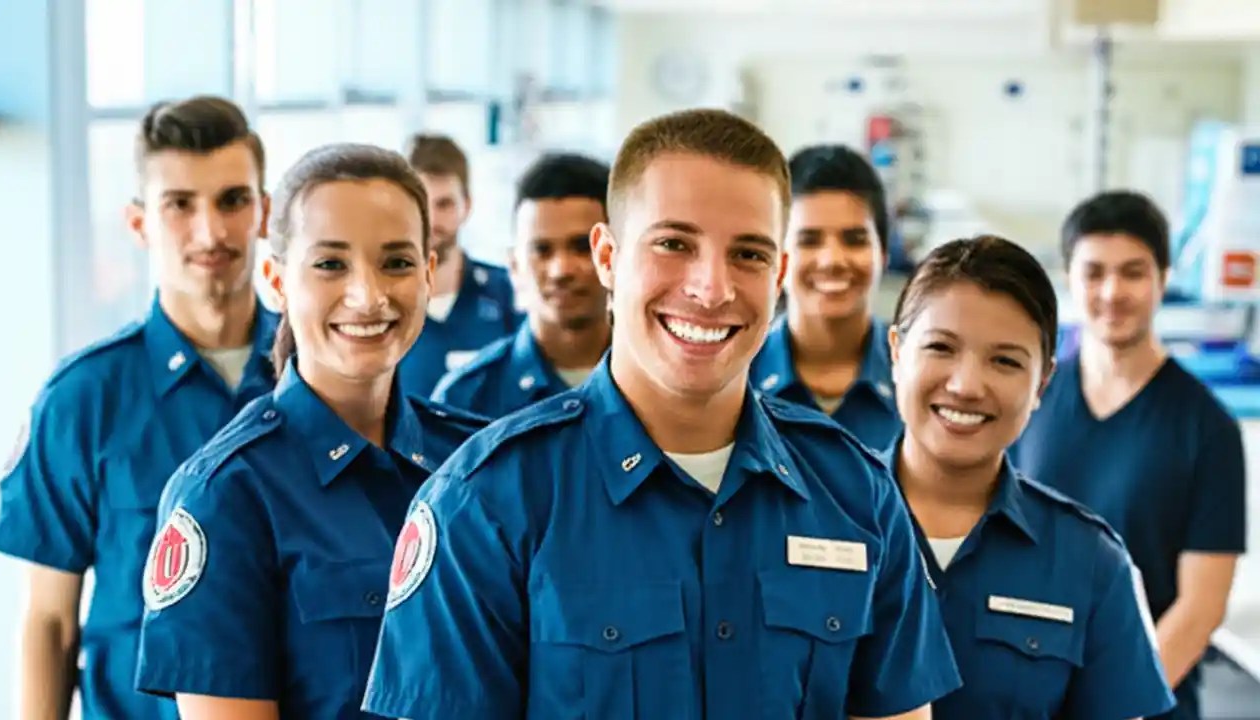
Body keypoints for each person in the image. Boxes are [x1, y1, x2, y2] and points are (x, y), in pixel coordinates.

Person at [362, 108, 961, 720]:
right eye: (674, 244)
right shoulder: (486, 504)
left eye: (749, 254)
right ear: (608, 257)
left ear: (778, 274)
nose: (711, 288)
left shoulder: (856, 495)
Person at [134, 143, 487, 719]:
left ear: (428, 272)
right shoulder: (226, 495)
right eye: (330, 264)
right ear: (275, 279)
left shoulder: (478, 464)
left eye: (396, 262)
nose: (368, 295)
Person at [0, 96, 277, 720]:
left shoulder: (316, 378)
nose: (210, 231)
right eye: (180, 205)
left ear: (264, 212)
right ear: (140, 223)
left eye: (232, 200)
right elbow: (49, 620)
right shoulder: (82, 400)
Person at [886, 235, 1175, 718]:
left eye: (1005, 361)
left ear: (1042, 383)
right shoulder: (816, 517)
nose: (966, 386)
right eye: (941, 347)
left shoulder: (1092, 564)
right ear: (896, 352)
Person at [1013, 191, 1246, 720]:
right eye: (1094, 272)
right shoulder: (1030, 400)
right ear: (1068, 278)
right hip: (1027, 695)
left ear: (1164, 278)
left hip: (1146, 702)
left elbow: (1200, 608)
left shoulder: (1208, 428)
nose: (1112, 292)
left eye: (1133, 272)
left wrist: (1111, 704)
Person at [431, 152, 611, 416]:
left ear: (613, 255)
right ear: (514, 266)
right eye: (542, 249)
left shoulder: (665, 385)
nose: (561, 270)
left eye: (582, 247)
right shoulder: (463, 401)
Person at [751, 144, 897, 450]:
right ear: (777, 257)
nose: (832, 260)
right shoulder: (733, 375)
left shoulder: (920, 377)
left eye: (854, 240)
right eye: (809, 240)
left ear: (882, 253)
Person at [396, 133, 521, 395]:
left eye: (445, 204)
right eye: (420, 205)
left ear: (467, 205)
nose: (430, 221)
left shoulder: (510, 292)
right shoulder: (380, 304)